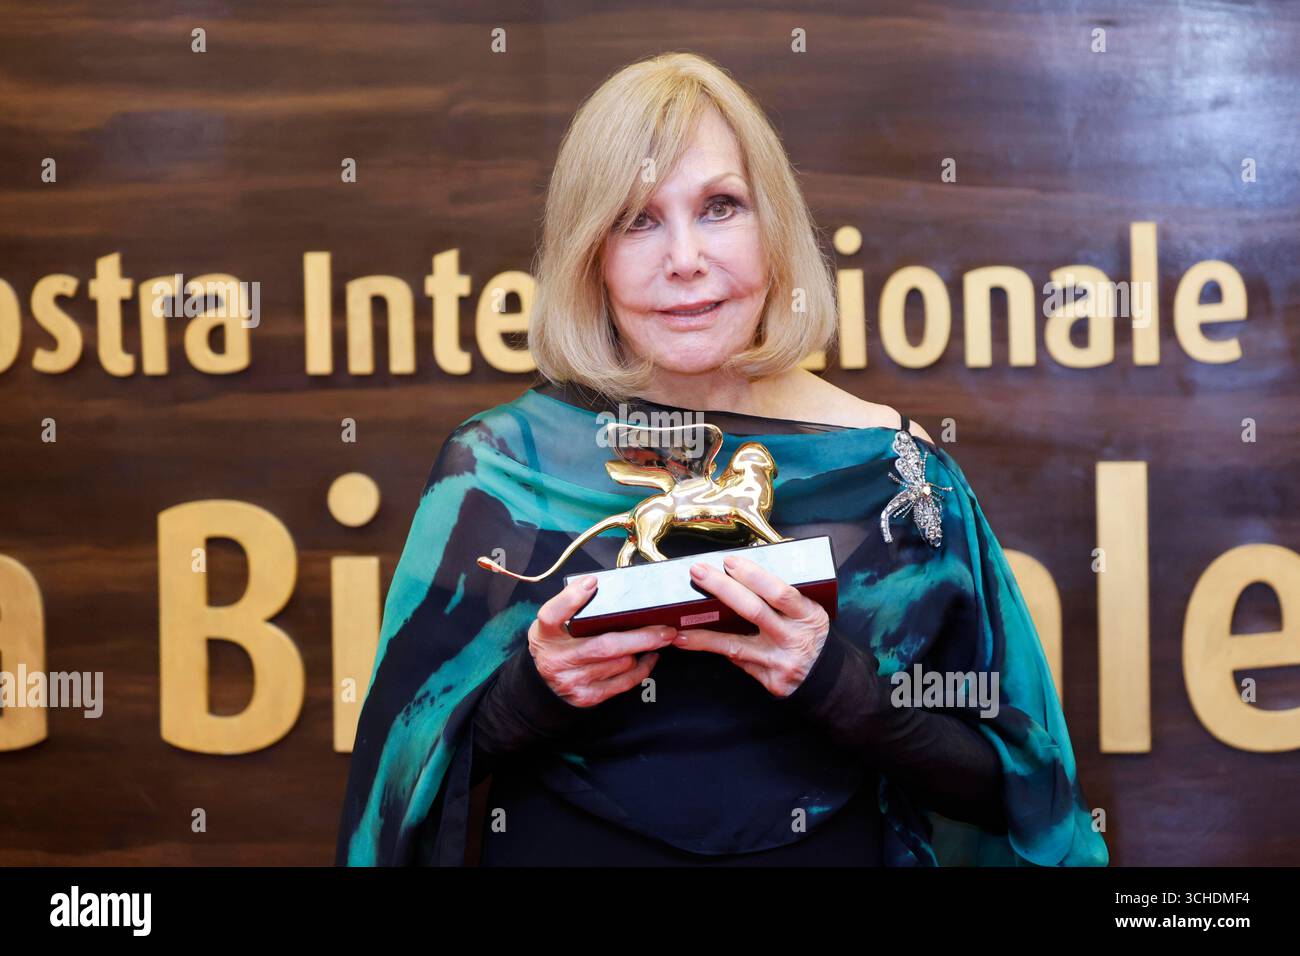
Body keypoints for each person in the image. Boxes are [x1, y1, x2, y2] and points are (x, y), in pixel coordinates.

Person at [335, 51, 1108, 867]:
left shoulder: (897, 475)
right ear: (587, 254)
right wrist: (534, 695)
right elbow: (397, 791)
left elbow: (1020, 793)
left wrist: (841, 690)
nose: (684, 259)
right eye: (637, 219)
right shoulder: (497, 469)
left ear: (774, 228)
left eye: (719, 207)